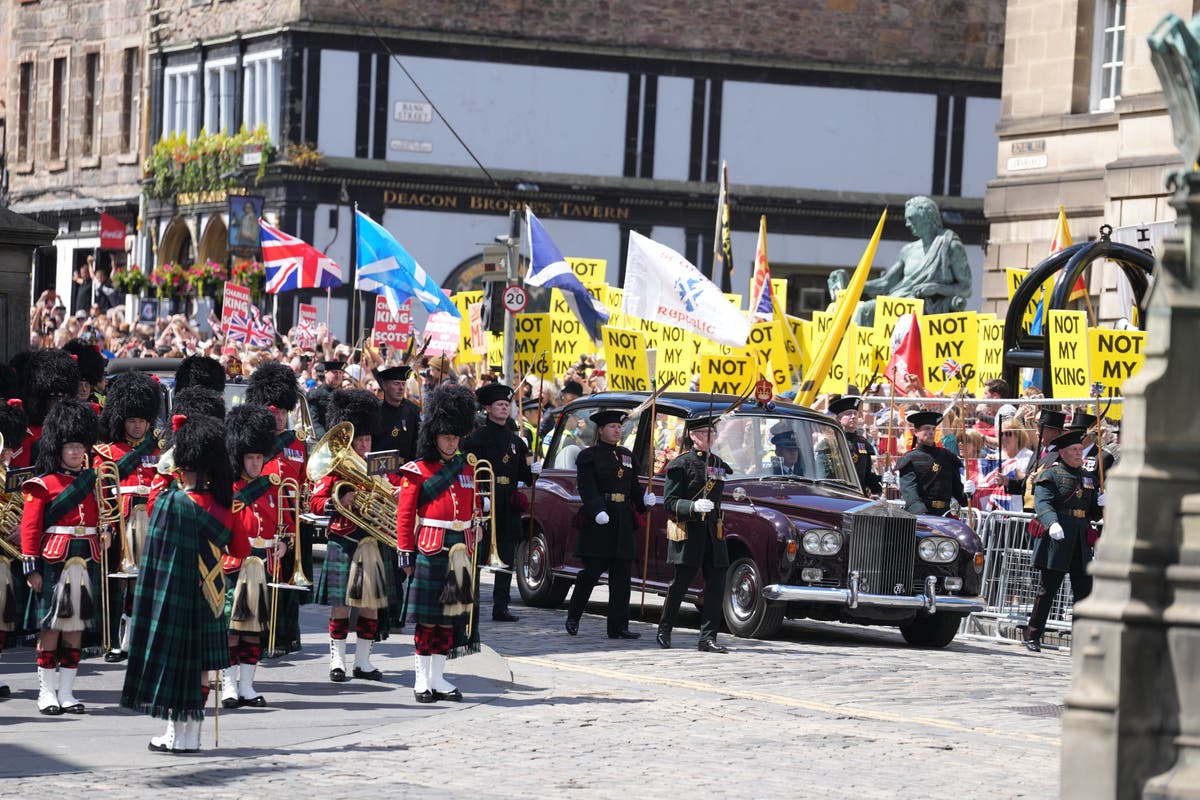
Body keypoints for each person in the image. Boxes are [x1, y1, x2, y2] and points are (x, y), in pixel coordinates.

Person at [120, 413, 249, 753]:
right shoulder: (225, 506)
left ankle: (175, 735)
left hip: (175, 595)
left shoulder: (169, 502)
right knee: (203, 668)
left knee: (177, 666)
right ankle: (192, 735)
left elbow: (155, 558)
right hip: (211, 595)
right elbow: (240, 549)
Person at [395, 383, 482, 702]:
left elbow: (471, 505)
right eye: (447, 436)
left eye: (456, 436)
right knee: (428, 619)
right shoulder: (416, 471)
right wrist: (405, 554)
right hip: (431, 546)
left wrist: (476, 526)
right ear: (434, 435)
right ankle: (421, 680)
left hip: (459, 547)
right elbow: (405, 517)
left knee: (448, 618)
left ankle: (439, 677)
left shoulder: (466, 467)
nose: (451, 441)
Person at [19, 399, 102, 715]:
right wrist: (31, 568)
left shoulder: (91, 480)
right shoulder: (42, 485)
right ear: (58, 448)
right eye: (69, 446)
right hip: (54, 561)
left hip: (85, 558)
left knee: (75, 627)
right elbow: (30, 529)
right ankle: (47, 692)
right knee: (50, 627)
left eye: (79, 446)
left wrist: (106, 535)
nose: (75, 452)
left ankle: (67, 692)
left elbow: (97, 518)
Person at [311, 389, 395, 682]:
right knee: (341, 604)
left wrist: (391, 493)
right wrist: (337, 502)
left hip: (372, 541)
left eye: (367, 439)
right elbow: (315, 502)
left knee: (370, 605)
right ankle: (337, 661)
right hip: (344, 539)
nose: (362, 444)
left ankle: (363, 661)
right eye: (358, 439)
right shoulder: (336, 470)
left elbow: (397, 496)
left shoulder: (382, 464)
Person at [564, 409, 654, 639]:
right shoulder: (589, 456)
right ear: (601, 430)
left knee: (621, 578)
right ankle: (574, 616)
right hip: (600, 520)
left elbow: (633, 485)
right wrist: (597, 510)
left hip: (622, 519)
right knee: (591, 574)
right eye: (612, 427)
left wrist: (643, 500)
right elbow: (587, 487)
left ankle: (618, 626)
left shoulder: (626, 455)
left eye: (619, 426)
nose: (617, 430)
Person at [93, 371, 162, 663]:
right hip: (120, 522)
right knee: (121, 583)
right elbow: (101, 492)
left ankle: (138, 637)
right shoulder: (106, 452)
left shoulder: (158, 450)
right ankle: (115, 639)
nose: (137, 426)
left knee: (146, 583)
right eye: (133, 420)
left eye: (142, 421)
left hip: (151, 520)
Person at [221, 404, 283, 708]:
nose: (257, 463)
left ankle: (247, 685)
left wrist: (281, 543)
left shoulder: (271, 488)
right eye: (251, 457)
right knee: (233, 629)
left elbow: (279, 524)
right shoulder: (227, 488)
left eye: (260, 457)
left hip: (262, 562)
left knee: (254, 629)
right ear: (239, 456)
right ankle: (229, 685)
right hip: (234, 564)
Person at [1023, 429, 1105, 652]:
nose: (1080, 454)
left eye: (1080, 449)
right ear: (1063, 452)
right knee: (1047, 591)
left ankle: (1080, 641)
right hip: (1058, 537)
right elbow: (1043, 503)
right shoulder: (1050, 475)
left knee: (1083, 592)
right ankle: (1032, 635)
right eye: (1074, 450)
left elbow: (1093, 513)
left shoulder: (1089, 478)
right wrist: (1051, 523)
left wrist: (1102, 503)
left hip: (1080, 538)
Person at [245, 361, 307, 657]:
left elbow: (305, 479)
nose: (280, 417)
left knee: (285, 584)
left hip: (290, 521)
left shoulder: (298, 443)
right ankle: (258, 637)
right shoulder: (256, 444)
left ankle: (282, 637)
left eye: (283, 412)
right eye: (275, 411)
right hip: (264, 518)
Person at [658, 416, 732, 654]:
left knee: (715, 586)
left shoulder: (719, 464)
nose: (710, 437)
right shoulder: (680, 464)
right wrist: (692, 507)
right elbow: (669, 503)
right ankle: (665, 628)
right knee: (680, 584)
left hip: (713, 532)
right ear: (692, 435)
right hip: (690, 530)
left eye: (713, 433)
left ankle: (708, 638)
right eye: (705, 433)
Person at [461, 383, 532, 622]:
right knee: (479, 555)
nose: (504, 408)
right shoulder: (476, 439)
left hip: (508, 501)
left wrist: (533, 472)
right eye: (499, 405)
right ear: (488, 409)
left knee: (508, 555)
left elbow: (523, 476)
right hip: (485, 500)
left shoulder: (516, 441)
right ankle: (473, 604)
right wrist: (481, 496)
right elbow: (469, 471)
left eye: (506, 404)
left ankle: (501, 606)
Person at [852, 195, 972, 325]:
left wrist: (937, 288)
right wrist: (853, 287)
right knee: (865, 310)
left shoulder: (949, 245)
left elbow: (966, 288)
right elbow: (885, 283)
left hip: (927, 307)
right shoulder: (908, 250)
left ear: (927, 217)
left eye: (911, 219)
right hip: (899, 303)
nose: (907, 224)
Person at [0, 399, 29, 700]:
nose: (7, 453)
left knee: (2, 618)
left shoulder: (13, 476)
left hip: (4, 557)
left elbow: (22, 509)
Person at [895, 410, 973, 515]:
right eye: (926, 429)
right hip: (921, 515)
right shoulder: (909, 459)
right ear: (916, 432)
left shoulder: (947, 457)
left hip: (945, 515)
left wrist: (968, 493)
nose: (931, 432)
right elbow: (910, 491)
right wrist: (922, 514)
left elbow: (961, 498)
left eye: (933, 429)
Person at [20, 349, 83, 467]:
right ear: (43, 400)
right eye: (54, 398)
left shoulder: (78, 427)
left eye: (63, 397)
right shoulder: (30, 434)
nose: (60, 403)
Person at [826, 396, 883, 497]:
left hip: (859, 495)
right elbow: (825, 474)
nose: (853, 416)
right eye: (848, 413)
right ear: (839, 418)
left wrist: (882, 481)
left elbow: (867, 476)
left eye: (855, 413)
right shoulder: (830, 442)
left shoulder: (863, 443)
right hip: (837, 494)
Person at [373, 365, 421, 461]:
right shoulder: (375, 411)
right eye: (396, 384)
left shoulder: (412, 410)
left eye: (403, 384)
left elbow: (417, 442)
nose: (401, 388)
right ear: (385, 386)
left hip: (406, 469)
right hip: (380, 469)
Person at [306, 359, 344, 439]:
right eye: (334, 372)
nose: (338, 376)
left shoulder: (344, 396)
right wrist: (326, 439)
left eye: (340, 372)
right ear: (325, 373)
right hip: (322, 440)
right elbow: (314, 421)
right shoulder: (315, 395)